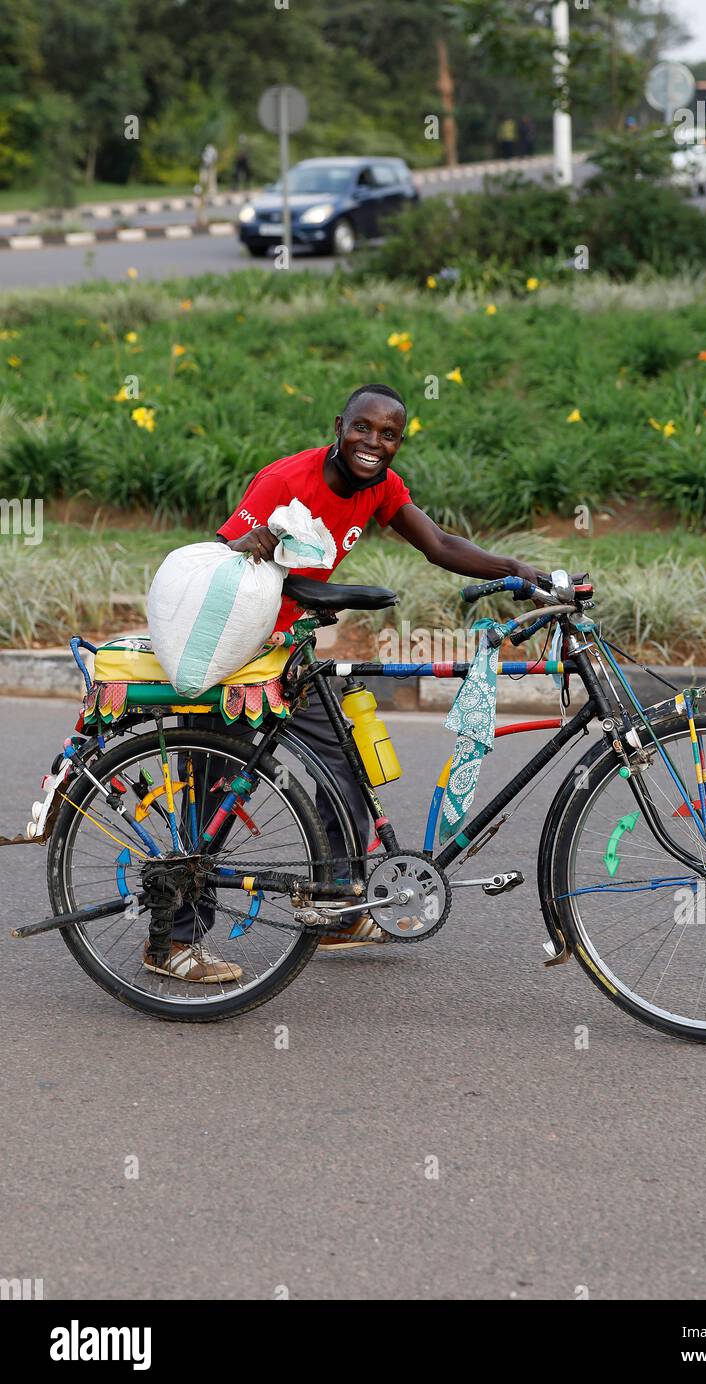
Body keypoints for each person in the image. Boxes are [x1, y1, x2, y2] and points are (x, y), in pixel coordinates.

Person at [143, 384, 540, 981]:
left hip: (289, 651)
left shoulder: (381, 486)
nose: (373, 443)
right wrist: (281, 566)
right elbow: (226, 568)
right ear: (339, 425)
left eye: (389, 435)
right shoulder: (285, 481)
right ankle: (170, 945)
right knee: (213, 790)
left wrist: (515, 569)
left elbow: (437, 544)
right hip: (236, 657)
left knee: (344, 767)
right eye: (363, 429)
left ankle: (337, 906)